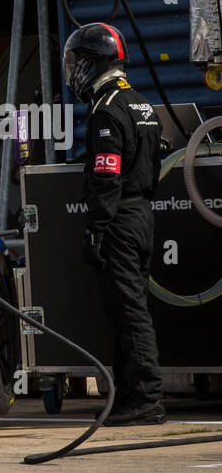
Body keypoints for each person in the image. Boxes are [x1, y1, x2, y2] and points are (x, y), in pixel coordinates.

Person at [64, 22, 164, 426]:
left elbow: (107, 175)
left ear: (93, 64)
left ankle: (147, 398)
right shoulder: (141, 102)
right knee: (128, 309)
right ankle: (127, 395)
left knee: (129, 313)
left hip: (119, 219)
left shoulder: (107, 110)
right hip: (141, 216)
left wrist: (97, 228)